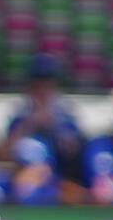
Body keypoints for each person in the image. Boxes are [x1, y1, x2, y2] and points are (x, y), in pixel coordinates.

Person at [5, 53, 88, 203]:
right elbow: (6, 153)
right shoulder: (21, 116)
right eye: (37, 84)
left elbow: (75, 152)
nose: (42, 90)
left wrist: (55, 125)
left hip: (61, 180)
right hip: (27, 180)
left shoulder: (66, 116)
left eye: (47, 84)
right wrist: (32, 122)